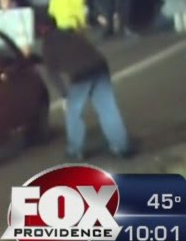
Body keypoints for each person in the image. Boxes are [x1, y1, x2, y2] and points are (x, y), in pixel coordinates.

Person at [38, 14, 133, 161]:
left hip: (81, 75)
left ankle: (75, 151)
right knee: (108, 109)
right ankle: (121, 146)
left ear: (41, 30)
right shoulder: (70, 34)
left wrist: (64, 95)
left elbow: (53, 74)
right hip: (99, 67)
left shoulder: (48, 45)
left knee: (73, 114)